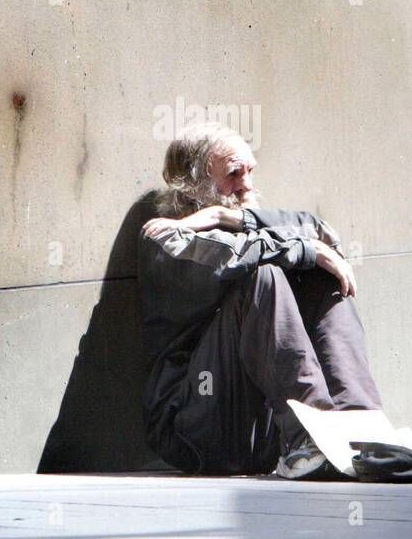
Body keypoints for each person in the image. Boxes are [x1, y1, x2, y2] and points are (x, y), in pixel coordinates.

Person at [138, 122, 387, 480]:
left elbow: (320, 230)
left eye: (250, 171)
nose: (248, 184)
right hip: (194, 429)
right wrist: (304, 248)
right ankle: (312, 439)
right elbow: (236, 255)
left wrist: (230, 215)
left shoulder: (237, 221)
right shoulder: (167, 238)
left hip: (259, 431)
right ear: (195, 188)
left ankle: (362, 435)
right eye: (234, 174)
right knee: (266, 274)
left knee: (324, 276)